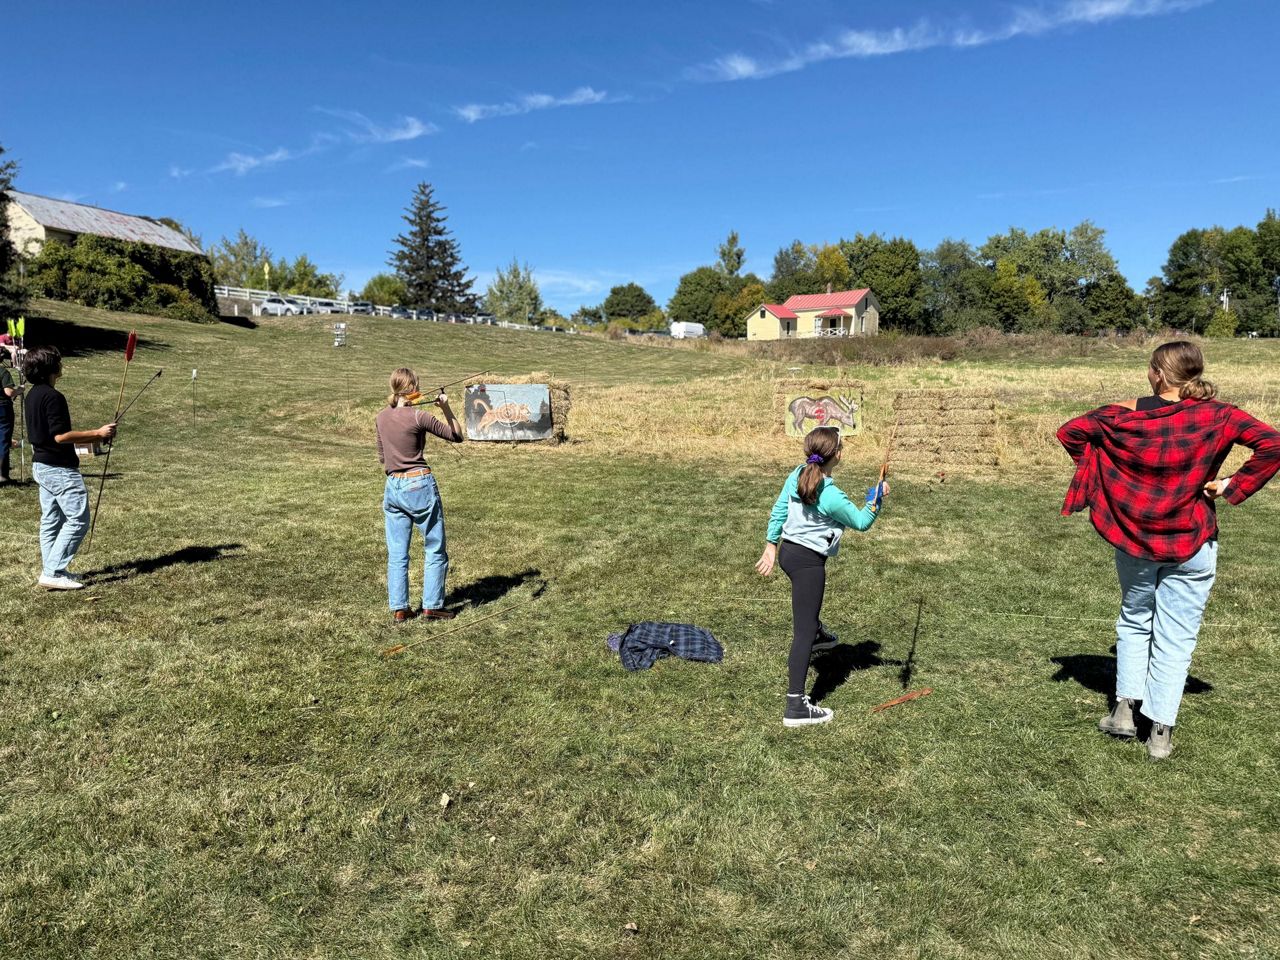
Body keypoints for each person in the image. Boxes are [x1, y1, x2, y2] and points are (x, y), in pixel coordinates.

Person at [1058, 341, 1280, 760]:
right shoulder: (1222, 415)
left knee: (1135, 618)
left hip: (1135, 537)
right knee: (1176, 636)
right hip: (1193, 539)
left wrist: (1104, 468)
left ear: (1158, 373)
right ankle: (1160, 732)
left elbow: (1070, 432)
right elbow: (1273, 444)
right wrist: (1230, 483)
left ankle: (1125, 711)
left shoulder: (1123, 415)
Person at [755, 425, 888, 727]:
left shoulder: (797, 473)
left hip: (789, 554)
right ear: (837, 455)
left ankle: (817, 633)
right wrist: (876, 497)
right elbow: (862, 521)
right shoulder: (831, 494)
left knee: (808, 620)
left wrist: (770, 547)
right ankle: (796, 707)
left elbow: (778, 511)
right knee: (802, 633)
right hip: (808, 564)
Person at [21, 346, 116, 590]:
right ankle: (52, 572)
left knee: (51, 519)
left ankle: (53, 569)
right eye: (58, 361)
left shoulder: (32, 394)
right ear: (50, 368)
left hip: (41, 465)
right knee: (78, 519)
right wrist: (98, 433)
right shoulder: (53, 397)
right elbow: (60, 436)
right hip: (58, 469)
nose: (61, 364)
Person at [375, 367, 464, 623]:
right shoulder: (419, 416)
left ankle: (400, 608)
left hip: (393, 486)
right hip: (419, 484)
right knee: (435, 547)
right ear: (413, 388)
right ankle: (432, 606)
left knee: (397, 552)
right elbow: (456, 435)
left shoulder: (381, 417)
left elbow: (383, 457)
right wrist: (446, 408)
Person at [0, 344, 20, 483]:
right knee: (3, 439)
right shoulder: (2, 372)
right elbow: (9, 392)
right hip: (2, 408)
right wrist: (20, 389)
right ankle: (2, 475)